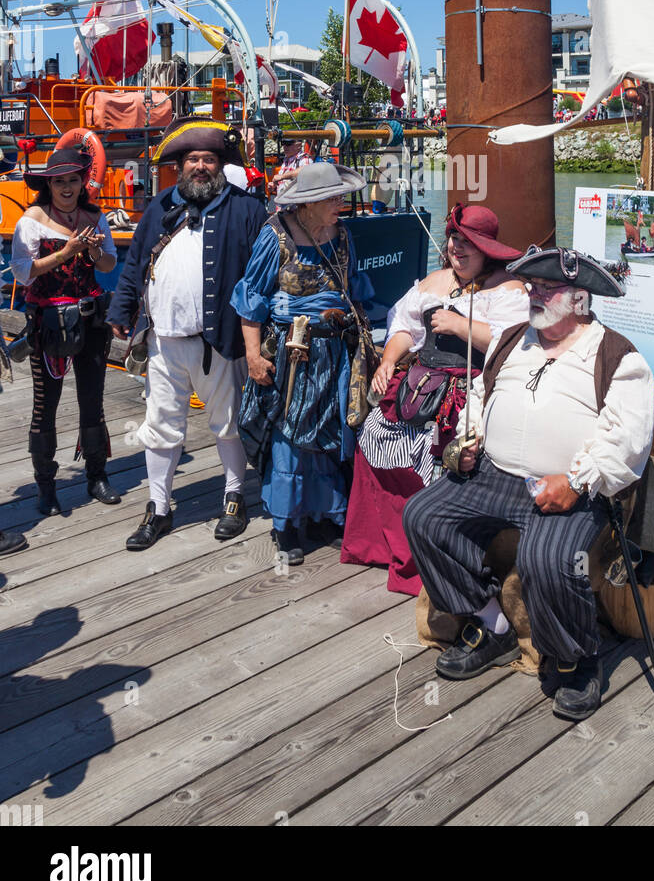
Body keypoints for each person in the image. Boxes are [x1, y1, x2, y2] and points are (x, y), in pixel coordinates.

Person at [403, 244, 654, 723]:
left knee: (551, 558)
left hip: (568, 485)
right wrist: (468, 439)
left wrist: (578, 482)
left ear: (580, 299)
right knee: (423, 516)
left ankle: (578, 660)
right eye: (533, 286)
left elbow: (628, 441)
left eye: (548, 288)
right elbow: (480, 394)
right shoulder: (513, 338)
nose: (535, 294)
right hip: (493, 473)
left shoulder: (618, 357)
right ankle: (492, 620)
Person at [342, 204, 528, 594]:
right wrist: (389, 361)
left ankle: (439, 558)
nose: (457, 249)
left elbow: (512, 345)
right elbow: (405, 327)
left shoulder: (508, 288)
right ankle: (385, 546)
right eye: (454, 240)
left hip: (469, 386)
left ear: (488, 250)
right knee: (374, 432)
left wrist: (462, 326)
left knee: (443, 458)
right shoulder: (434, 281)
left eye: (469, 244)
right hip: (421, 381)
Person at [109, 119, 267, 550]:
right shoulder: (159, 207)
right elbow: (136, 263)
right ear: (180, 166)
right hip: (162, 342)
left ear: (220, 166)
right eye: (193, 159)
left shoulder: (246, 209)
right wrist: (122, 309)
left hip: (219, 340)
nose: (200, 166)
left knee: (228, 423)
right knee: (159, 427)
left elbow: (264, 273)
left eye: (208, 160)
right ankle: (158, 508)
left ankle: (234, 496)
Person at [232, 160, 375, 566]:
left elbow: (355, 290)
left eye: (340, 196)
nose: (340, 203)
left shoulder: (343, 236)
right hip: (293, 354)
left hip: (336, 351)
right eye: (332, 198)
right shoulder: (275, 236)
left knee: (331, 432)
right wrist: (253, 355)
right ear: (308, 203)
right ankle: (286, 524)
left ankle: (326, 513)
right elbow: (251, 300)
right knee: (291, 435)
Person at [11, 146, 118, 516]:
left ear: (80, 182)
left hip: (90, 320)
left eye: (73, 180)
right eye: (60, 181)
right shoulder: (32, 219)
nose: (68, 187)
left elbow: (107, 265)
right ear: (49, 184)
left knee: (93, 400)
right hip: (50, 324)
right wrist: (66, 251)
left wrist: (90, 253)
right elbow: (23, 271)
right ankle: (46, 487)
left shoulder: (93, 215)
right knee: (46, 405)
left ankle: (97, 475)